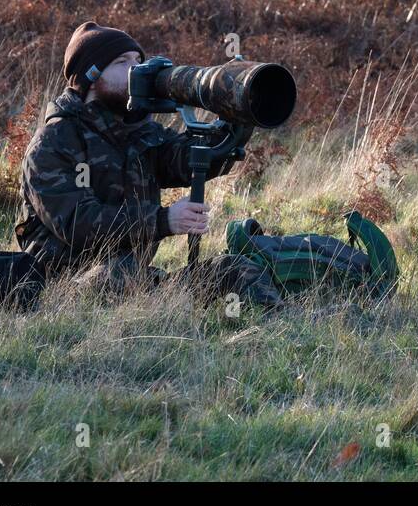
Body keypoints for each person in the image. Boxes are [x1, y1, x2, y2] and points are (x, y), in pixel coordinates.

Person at [14, 21, 280, 304]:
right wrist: (164, 220)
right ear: (91, 75)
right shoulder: (54, 141)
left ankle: (277, 324)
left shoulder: (139, 132)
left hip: (135, 278)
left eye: (139, 60)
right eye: (123, 61)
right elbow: (79, 224)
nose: (137, 69)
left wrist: (239, 111)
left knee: (236, 270)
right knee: (118, 274)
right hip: (63, 286)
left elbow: (195, 160)